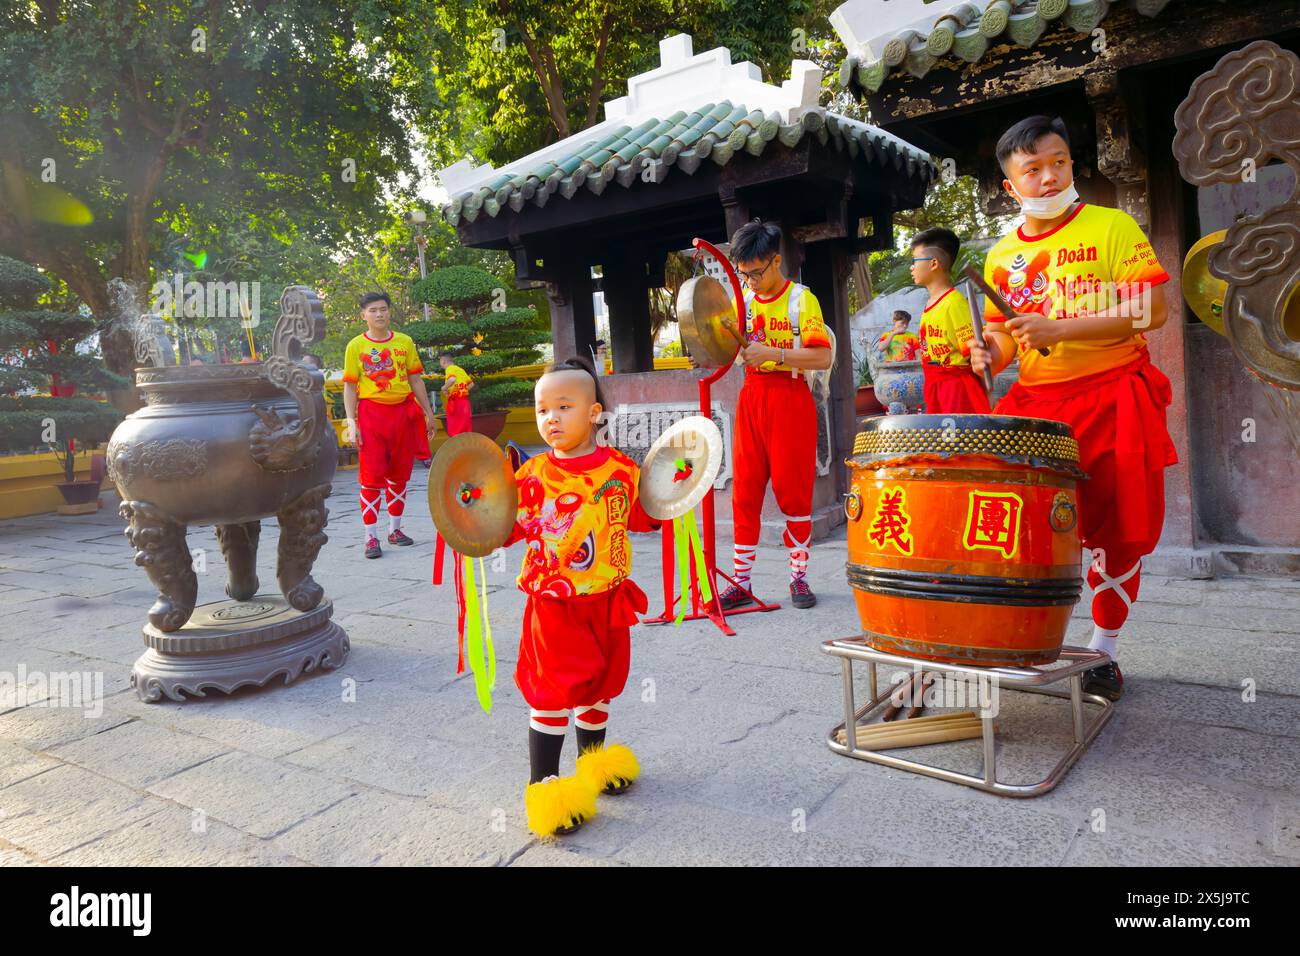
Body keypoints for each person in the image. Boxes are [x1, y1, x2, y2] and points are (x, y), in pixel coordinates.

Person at [969, 115, 1177, 701]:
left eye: (1058, 161)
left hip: (1113, 395)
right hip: (1038, 406)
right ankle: (1027, 634)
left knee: (1118, 527)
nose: (1049, 175)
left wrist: (1062, 327)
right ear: (1011, 187)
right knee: (1022, 523)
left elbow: (1152, 311)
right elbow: (1007, 335)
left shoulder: (1112, 227)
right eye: (1031, 169)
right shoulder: (1003, 256)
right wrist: (991, 347)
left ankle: (1103, 651)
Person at [501, 358, 658, 837]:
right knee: (551, 692)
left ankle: (595, 764)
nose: (551, 418)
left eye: (563, 407)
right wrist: (472, 511)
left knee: (601, 685)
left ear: (593, 413)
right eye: (542, 408)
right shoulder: (530, 476)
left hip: (607, 598)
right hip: (553, 604)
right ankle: (545, 788)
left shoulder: (622, 469)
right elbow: (505, 528)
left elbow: (643, 516)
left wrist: (673, 493)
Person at [717, 219, 833, 612]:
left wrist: (776, 355)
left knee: (792, 491)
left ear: (776, 260)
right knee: (745, 491)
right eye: (743, 272)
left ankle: (798, 577)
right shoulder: (743, 303)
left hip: (790, 397)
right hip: (751, 397)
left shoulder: (802, 300)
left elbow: (823, 355)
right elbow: (727, 351)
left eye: (755, 271)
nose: (749, 280)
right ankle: (741, 583)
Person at [342, 291, 437, 559]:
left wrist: (428, 413)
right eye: (372, 310)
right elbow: (350, 387)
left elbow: (416, 380)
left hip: (403, 416)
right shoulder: (355, 346)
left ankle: (395, 530)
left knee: (400, 474)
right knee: (371, 477)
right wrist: (351, 422)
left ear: (389, 312)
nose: (379, 314)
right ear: (363, 315)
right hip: (371, 415)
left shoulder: (404, 343)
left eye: (383, 309)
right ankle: (370, 536)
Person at [910, 228, 991, 414]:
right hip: (935, 386)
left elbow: (972, 354)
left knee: (962, 440)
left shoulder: (954, 304)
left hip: (956, 390)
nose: (911, 267)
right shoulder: (931, 304)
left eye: (915, 261)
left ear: (933, 263)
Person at [439, 353, 474, 436]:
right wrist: (462, 390)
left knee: (456, 429)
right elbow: (471, 384)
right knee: (465, 429)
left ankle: (457, 448)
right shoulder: (461, 370)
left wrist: (444, 388)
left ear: (443, 361)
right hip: (465, 402)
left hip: (456, 403)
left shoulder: (449, 369)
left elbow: (452, 379)